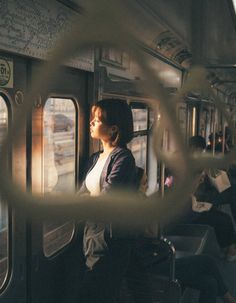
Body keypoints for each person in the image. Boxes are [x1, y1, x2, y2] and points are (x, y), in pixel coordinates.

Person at [126, 167, 236, 303]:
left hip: (158, 257)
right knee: (208, 262)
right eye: (144, 184)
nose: (147, 186)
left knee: (210, 284)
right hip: (151, 264)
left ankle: (228, 299)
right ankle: (229, 299)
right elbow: (153, 232)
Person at [77, 99, 137, 303]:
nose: (92, 123)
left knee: (96, 294)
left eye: (97, 119)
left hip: (112, 243)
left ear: (113, 129)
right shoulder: (95, 158)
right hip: (92, 239)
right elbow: (82, 194)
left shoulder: (124, 159)